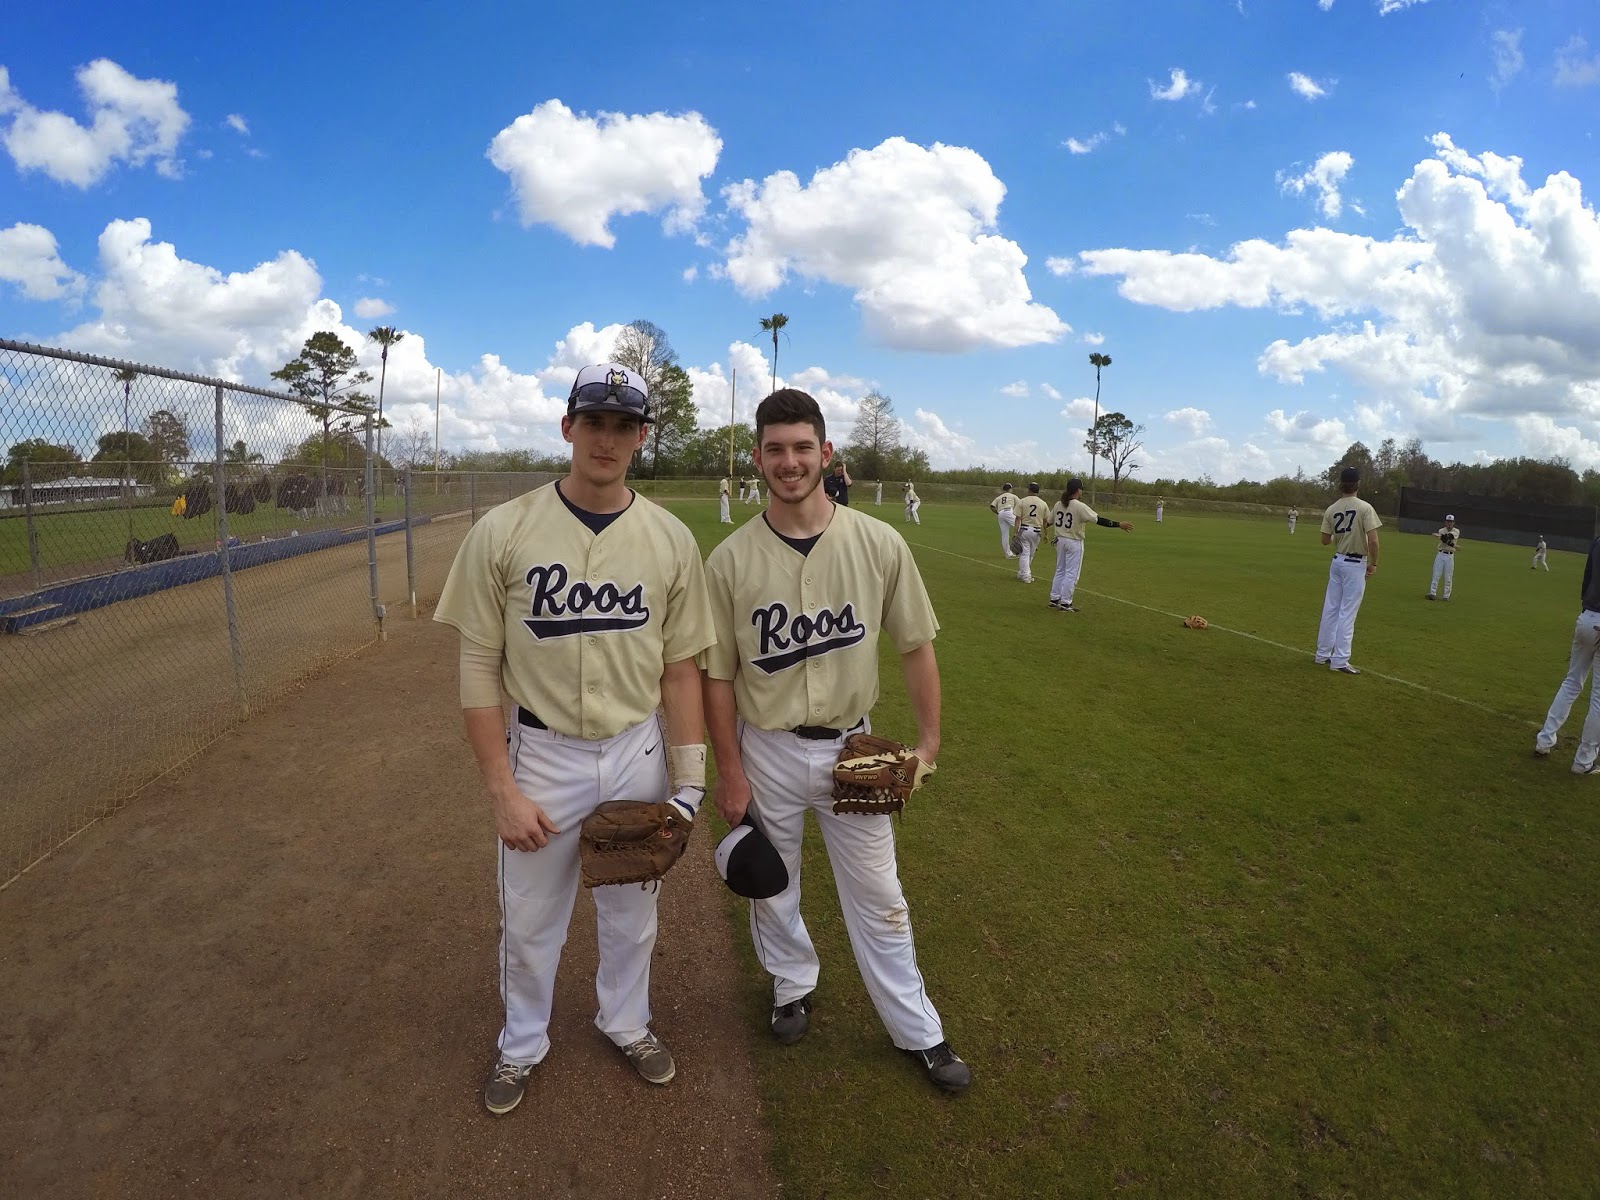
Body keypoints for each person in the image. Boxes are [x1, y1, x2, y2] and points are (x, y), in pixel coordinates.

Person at [433, 362, 717, 1116]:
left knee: (633, 911)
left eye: (624, 425)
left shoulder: (669, 538)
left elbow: (681, 671)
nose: (607, 438)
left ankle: (626, 1021)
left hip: (635, 752)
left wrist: (688, 783)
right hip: (543, 753)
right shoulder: (505, 529)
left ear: (642, 439)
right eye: (594, 421)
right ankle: (521, 1042)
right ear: (568, 427)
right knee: (531, 922)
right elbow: (477, 666)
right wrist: (500, 789)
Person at [700, 387, 971, 1094]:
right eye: (775, 449)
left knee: (882, 896)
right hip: (767, 746)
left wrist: (929, 746)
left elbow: (916, 646)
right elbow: (718, 680)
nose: (789, 462)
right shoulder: (729, 561)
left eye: (801, 448)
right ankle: (791, 985)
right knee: (773, 887)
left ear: (826, 453)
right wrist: (729, 772)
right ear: (757, 459)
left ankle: (919, 1029)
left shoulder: (878, 542)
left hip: (857, 752)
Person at [1535, 534, 1600, 771]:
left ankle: (1544, 740)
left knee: (1572, 682)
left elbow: (1587, 578)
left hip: (1587, 616)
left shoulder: (1597, 540)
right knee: (1599, 696)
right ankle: (1583, 761)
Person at [1314, 466, 1381, 675]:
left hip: (1337, 561)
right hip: (1355, 564)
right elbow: (1373, 541)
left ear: (1341, 484)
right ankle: (1340, 660)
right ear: (1358, 484)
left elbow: (1325, 540)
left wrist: (1340, 537)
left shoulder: (1332, 508)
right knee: (1347, 612)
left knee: (1331, 608)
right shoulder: (1365, 508)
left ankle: (1322, 654)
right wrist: (1374, 563)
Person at [1047, 478, 1133, 611]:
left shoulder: (1059, 503)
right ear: (1078, 490)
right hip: (1073, 541)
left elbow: (1048, 521)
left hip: (1059, 540)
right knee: (1071, 574)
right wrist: (1118, 524)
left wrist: (1045, 530)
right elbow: (1098, 520)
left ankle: (1054, 599)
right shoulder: (1079, 506)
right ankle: (1065, 603)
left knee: (1060, 570)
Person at [1012, 482, 1050, 584]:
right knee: (1030, 554)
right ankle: (1022, 574)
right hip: (1037, 532)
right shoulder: (1043, 503)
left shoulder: (1022, 501)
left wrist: (1016, 532)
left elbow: (1017, 518)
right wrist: (1046, 534)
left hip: (1024, 530)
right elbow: (1046, 521)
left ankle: (1026, 576)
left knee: (1025, 553)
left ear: (1029, 490)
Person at [1426, 514, 1461, 601]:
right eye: (1448, 522)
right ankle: (1432, 593)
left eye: (1451, 522)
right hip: (1441, 554)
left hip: (1450, 555)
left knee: (1448, 576)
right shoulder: (1441, 530)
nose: (1449, 524)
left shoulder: (1456, 531)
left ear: (1453, 523)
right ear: (1445, 522)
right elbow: (1445, 541)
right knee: (1436, 574)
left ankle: (1446, 596)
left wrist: (1440, 536)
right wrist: (1453, 545)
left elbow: (1448, 537)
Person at [990, 483, 1019, 558]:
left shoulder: (999, 497)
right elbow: (1020, 504)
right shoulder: (1012, 496)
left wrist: (998, 513)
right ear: (1010, 489)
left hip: (1001, 513)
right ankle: (1025, 548)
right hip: (1009, 511)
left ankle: (1008, 554)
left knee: (1004, 535)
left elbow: (992, 506)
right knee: (1021, 527)